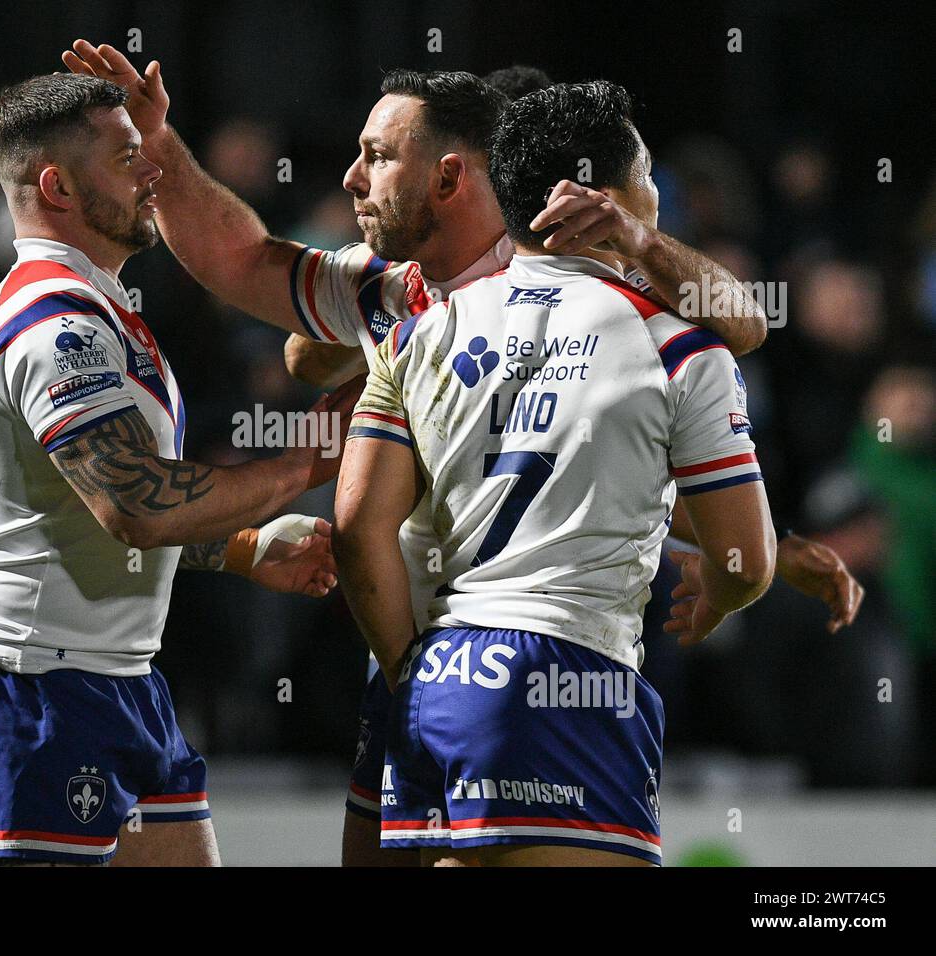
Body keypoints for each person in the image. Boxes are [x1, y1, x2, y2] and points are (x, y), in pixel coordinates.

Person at [61, 40, 862, 866]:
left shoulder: (485, 296)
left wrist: (773, 550)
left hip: (435, 664)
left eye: (377, 156)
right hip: (484, 660)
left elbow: (700, 361)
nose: (351, 179)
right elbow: (247, 264)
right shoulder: (407, 289)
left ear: (458, 175)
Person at [332, 80, 777, 866]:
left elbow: (357, 526)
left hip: (439, 684)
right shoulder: (677, 346)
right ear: (610, 198)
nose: (659, 198)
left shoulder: (420, 332)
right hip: (568, 680)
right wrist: (721, 592)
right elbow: (746, 558)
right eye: (650, 181)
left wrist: (411, 670)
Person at [0, 72, 356, 867]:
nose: (151, 172)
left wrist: (244, 548)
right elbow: (134, 504)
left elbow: (87, 514)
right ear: (56, 184)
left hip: (115, 682)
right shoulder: (56, 323)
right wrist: (305, 463)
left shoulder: (101, 308)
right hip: (37, 695)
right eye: (127, 159)